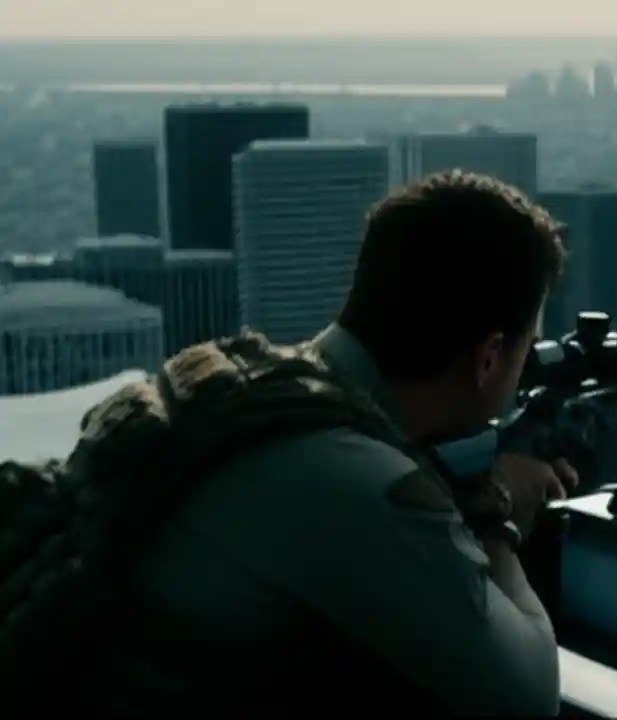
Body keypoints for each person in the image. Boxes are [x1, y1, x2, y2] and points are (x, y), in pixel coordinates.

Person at [76, 170, 578, 716]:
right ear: (488, 358)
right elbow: (526, 696)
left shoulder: (259, 383)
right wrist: (494, 518)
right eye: (525, 349)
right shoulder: (362, 482)